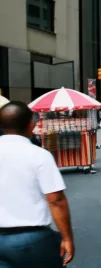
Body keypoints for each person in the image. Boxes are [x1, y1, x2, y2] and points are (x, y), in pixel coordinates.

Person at [0, 101, 74, 267]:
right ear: (31, 124)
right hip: (32, 240)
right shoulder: (39, 155)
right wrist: (67, 238)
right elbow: (56, 200)